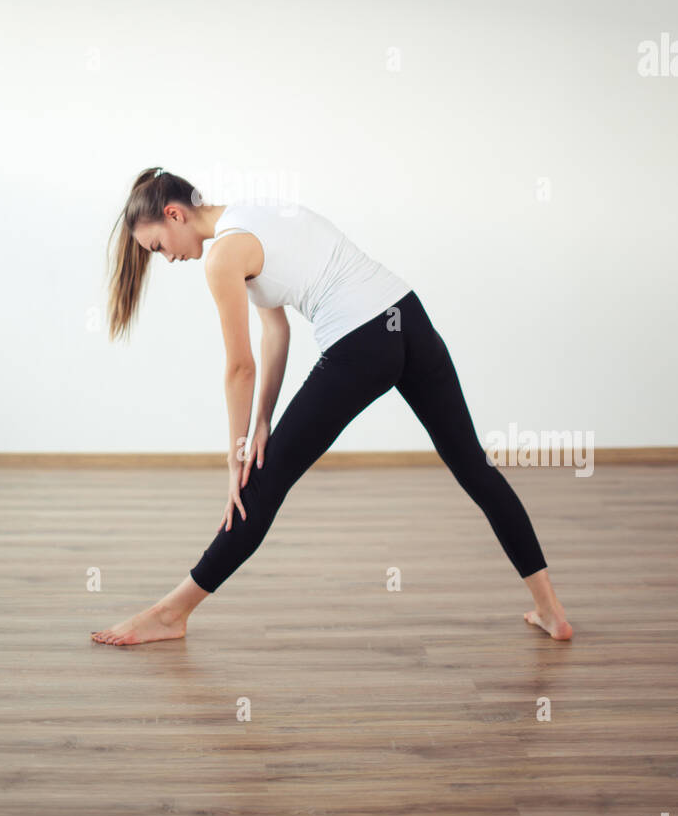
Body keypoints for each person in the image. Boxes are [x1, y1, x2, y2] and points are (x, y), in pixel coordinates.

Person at [92, 166, 572, 646]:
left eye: (158, 247)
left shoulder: (221, 256)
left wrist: (235, 454)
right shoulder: (251, 216)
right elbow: (275, 333)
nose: (167, 258)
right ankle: (552, 611)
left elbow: (239, 368)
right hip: (407, 317)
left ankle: (170, 615)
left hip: (361, 343)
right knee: (473, 465)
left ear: (173, 214)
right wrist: (261, 422)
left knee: (259, 486)